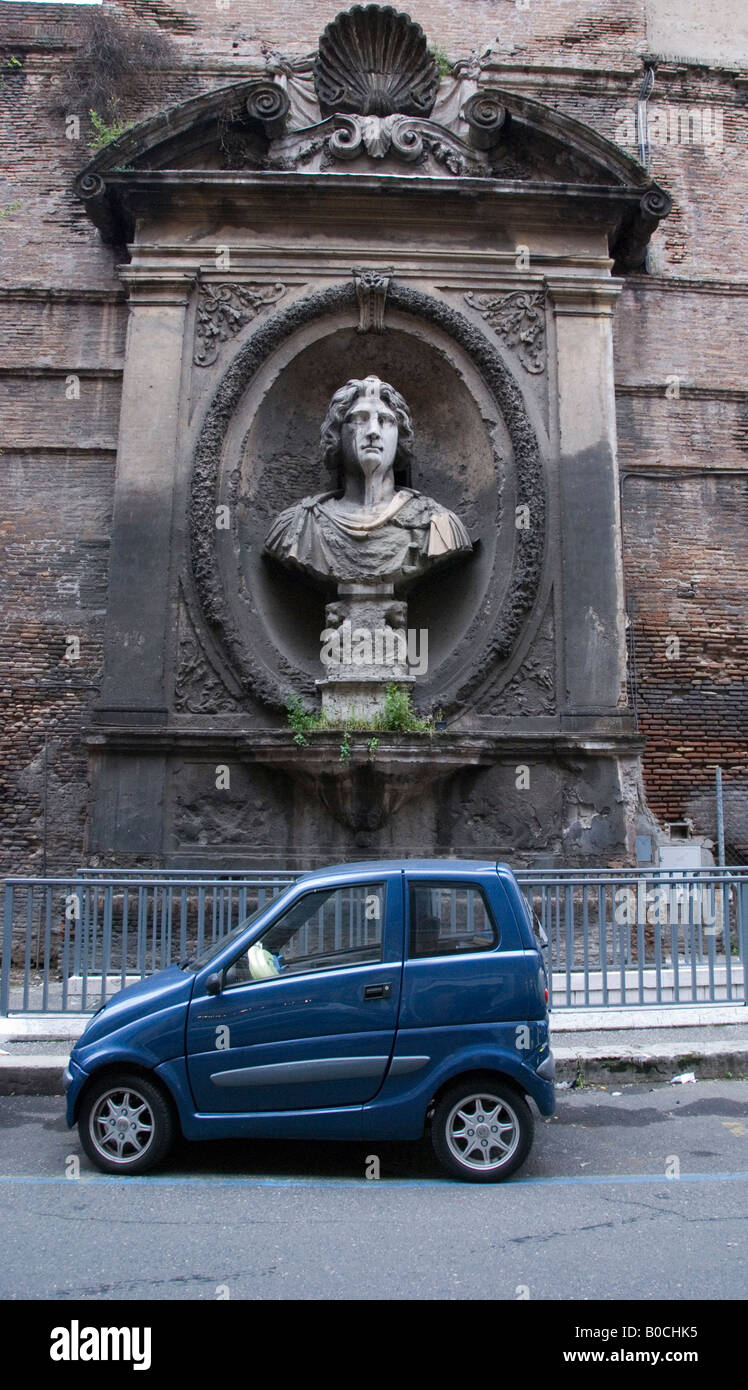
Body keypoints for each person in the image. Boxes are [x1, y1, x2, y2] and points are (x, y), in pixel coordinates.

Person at [264, 375, 472, 590]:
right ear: (336, 436)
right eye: (358, 419)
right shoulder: (298, 526)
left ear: (400, 437)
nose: (373, 431)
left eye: (385, 421)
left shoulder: (438, 525)